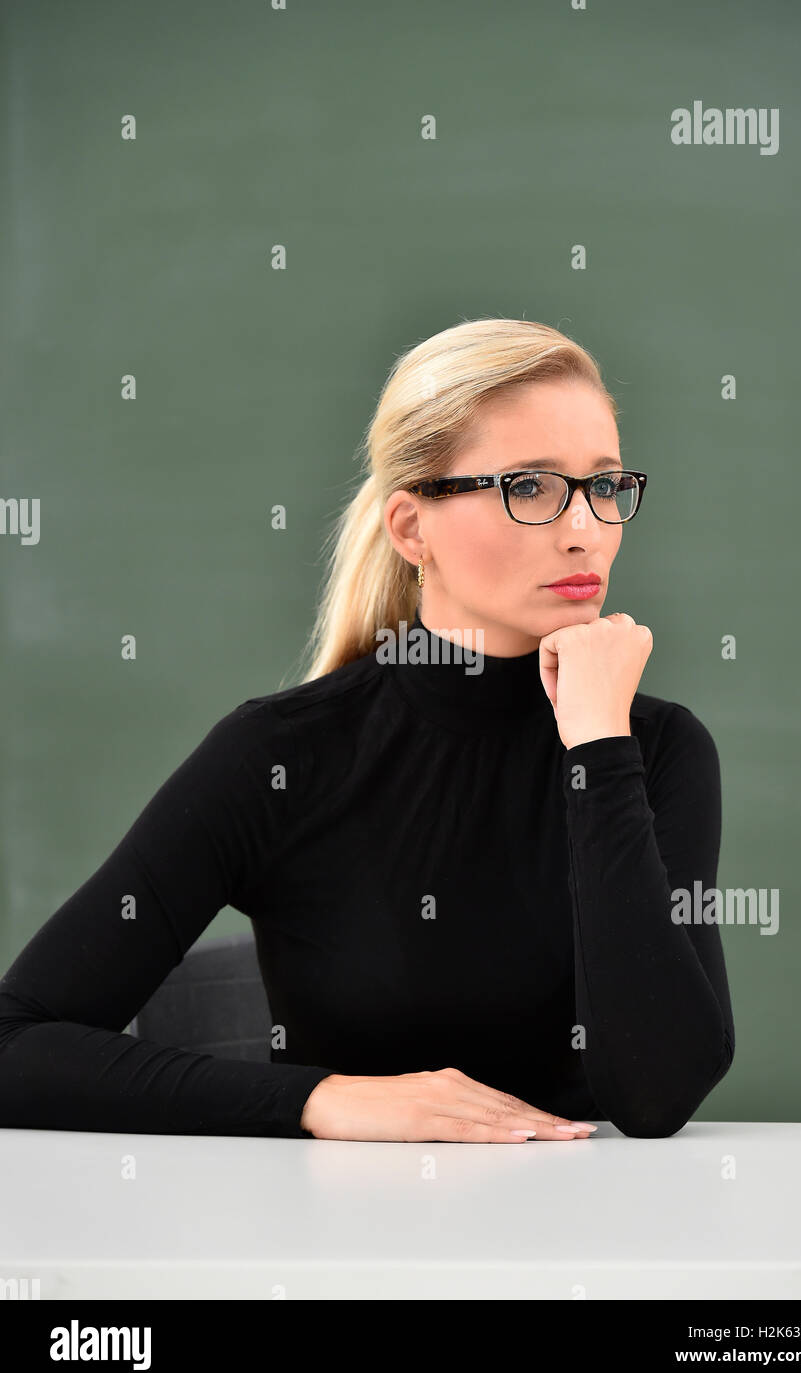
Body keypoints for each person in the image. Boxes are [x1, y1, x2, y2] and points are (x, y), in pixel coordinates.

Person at [0, 318, 734, 1143]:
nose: (584, 528)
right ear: (412, 528)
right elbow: (15, 1042)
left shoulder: (655, 750)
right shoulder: (281, 756)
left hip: (592, 1253)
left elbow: (658, 1093)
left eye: (604, 485)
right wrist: (322, 1099)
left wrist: (600, 749)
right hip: (331, 1246)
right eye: (529, 486)